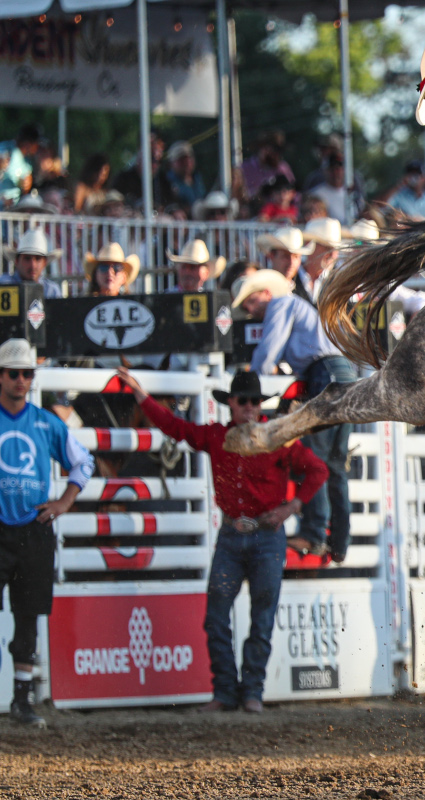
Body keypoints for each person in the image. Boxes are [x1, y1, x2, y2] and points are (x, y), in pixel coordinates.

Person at [115, 367, 327, 713]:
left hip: (263, 534)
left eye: (254, 401)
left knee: (259, 616)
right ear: (231, 403)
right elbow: (174, 427)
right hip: (238, 534)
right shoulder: (227, 436)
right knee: (218, 617)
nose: (249, 407)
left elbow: (318, 470)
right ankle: (230, 692)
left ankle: (248, 692)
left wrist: (291, 507)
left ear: (260, 405)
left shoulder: (274, 437)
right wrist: (141, 396)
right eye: (243, 401)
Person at [0, 339, 95, 726]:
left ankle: (22, 700)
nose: (21, 380)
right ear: (1, 376)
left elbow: (82, 461)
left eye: (27, 374)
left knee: (28, 616)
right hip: (11, 527)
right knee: (25, 615)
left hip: (33, 530)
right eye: (14, 373)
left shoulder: (44, 422)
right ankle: (21, 699)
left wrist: (65, 502)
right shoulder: (41, 423)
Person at [234, 270, 356, 561]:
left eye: (250, 302)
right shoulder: (295, 306)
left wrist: (250, 381)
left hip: (323, 376)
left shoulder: (281, 304)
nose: (249, 311)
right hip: (343, 372)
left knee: (313, 457)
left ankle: (313, 534)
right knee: (335, 463)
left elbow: (267, 354)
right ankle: (338, 541)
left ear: (265, 292)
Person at [255, 226, 314, 299]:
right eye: (286, 256)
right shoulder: (262, 289)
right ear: (271, 256)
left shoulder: (303, 288)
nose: (291, 263)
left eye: (296, 257)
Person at [2, 229, 63, 298]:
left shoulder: (52, 291)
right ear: (17, 261)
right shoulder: (3, 284)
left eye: (38, 259)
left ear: (44, 263)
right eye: (27, 258)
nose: (33, 265)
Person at [307, 152, 362, 224]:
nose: (336, 172)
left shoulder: (351, 193)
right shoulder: (315, 194)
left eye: (339, 168)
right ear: (325, 171)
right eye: (332, 169)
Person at [299, 217, 343, 303]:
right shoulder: (290, 280)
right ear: (309, 245)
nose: (333, 255)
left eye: (336, 249)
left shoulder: (338, 283)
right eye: (327, 248)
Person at [241, 131, 294, 198]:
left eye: (276, 150)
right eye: (268, 148)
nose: (273, 154)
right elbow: (240, 194)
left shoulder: (282, 168)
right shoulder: (245, 168)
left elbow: (293, 192)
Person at [158, 141, 206, 213]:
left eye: (189, 158)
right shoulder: (165, 181)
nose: (187, 163)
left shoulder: (198, 178)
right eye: (181, 160)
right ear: (171, 163)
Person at [0, 124, 42, 205]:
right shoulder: (4, 149)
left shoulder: (28, 162)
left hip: (14, 208)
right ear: (28, 144)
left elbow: (26, 188)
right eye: (37, 144)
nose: (38, 148)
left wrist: (26, 184)